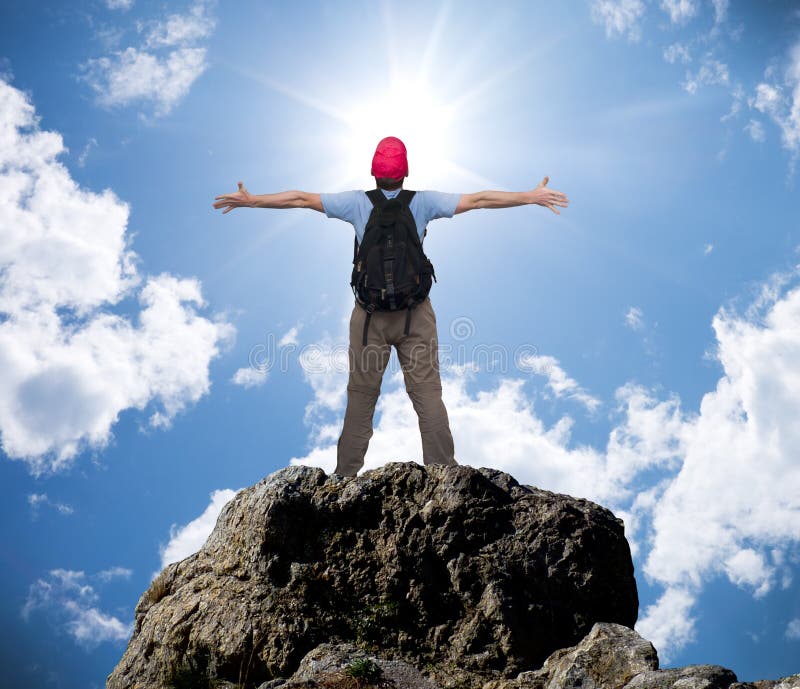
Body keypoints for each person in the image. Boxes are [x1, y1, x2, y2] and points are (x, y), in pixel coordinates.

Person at [213, 136, 569, 477]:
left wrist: (253, 200)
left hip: (369, 320)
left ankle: (344, 478)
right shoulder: (424, 202)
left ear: (373, 173)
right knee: (428, 395)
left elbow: (300, 199)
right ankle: (444, 473)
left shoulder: (355, 203)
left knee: (361, 396)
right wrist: (530, 196)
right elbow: (479, 200)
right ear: (405, 173)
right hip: (416, 316)